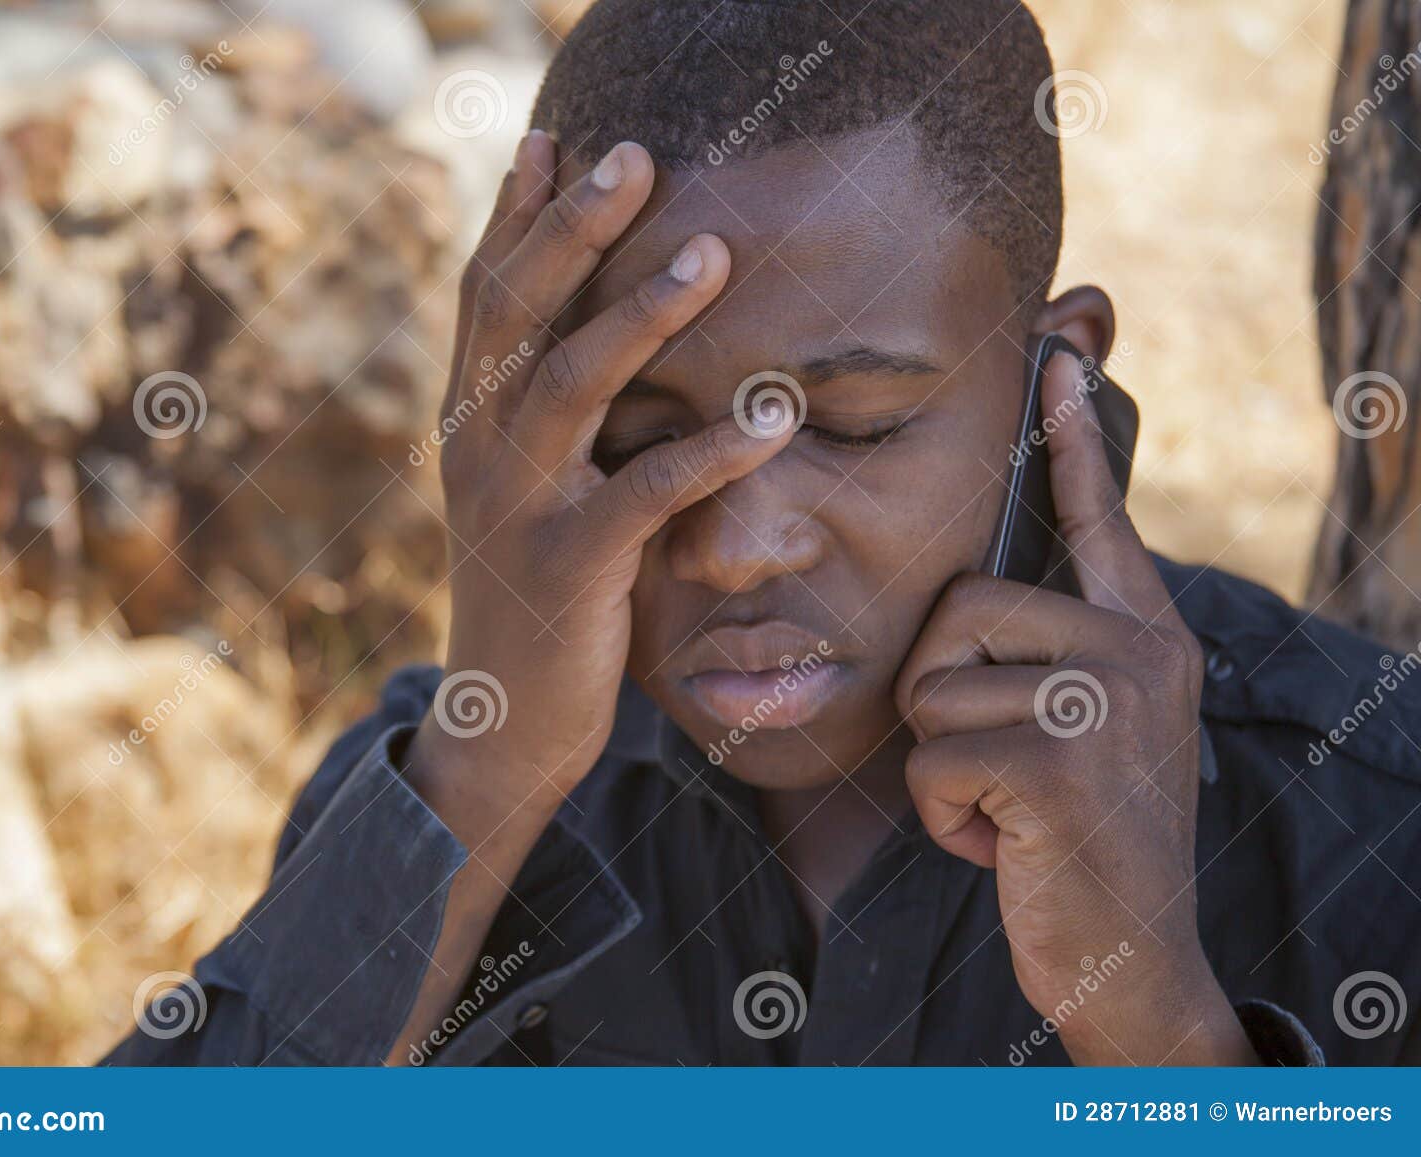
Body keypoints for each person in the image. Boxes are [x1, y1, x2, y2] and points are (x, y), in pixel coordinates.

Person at [107, 0, 1421, 1066]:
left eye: (852, 428)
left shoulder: (1358, 806)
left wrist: (1156, 1028)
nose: (738, 546)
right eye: (638, 437)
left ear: (1053, 384)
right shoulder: (449, 791)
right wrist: (488, 769)